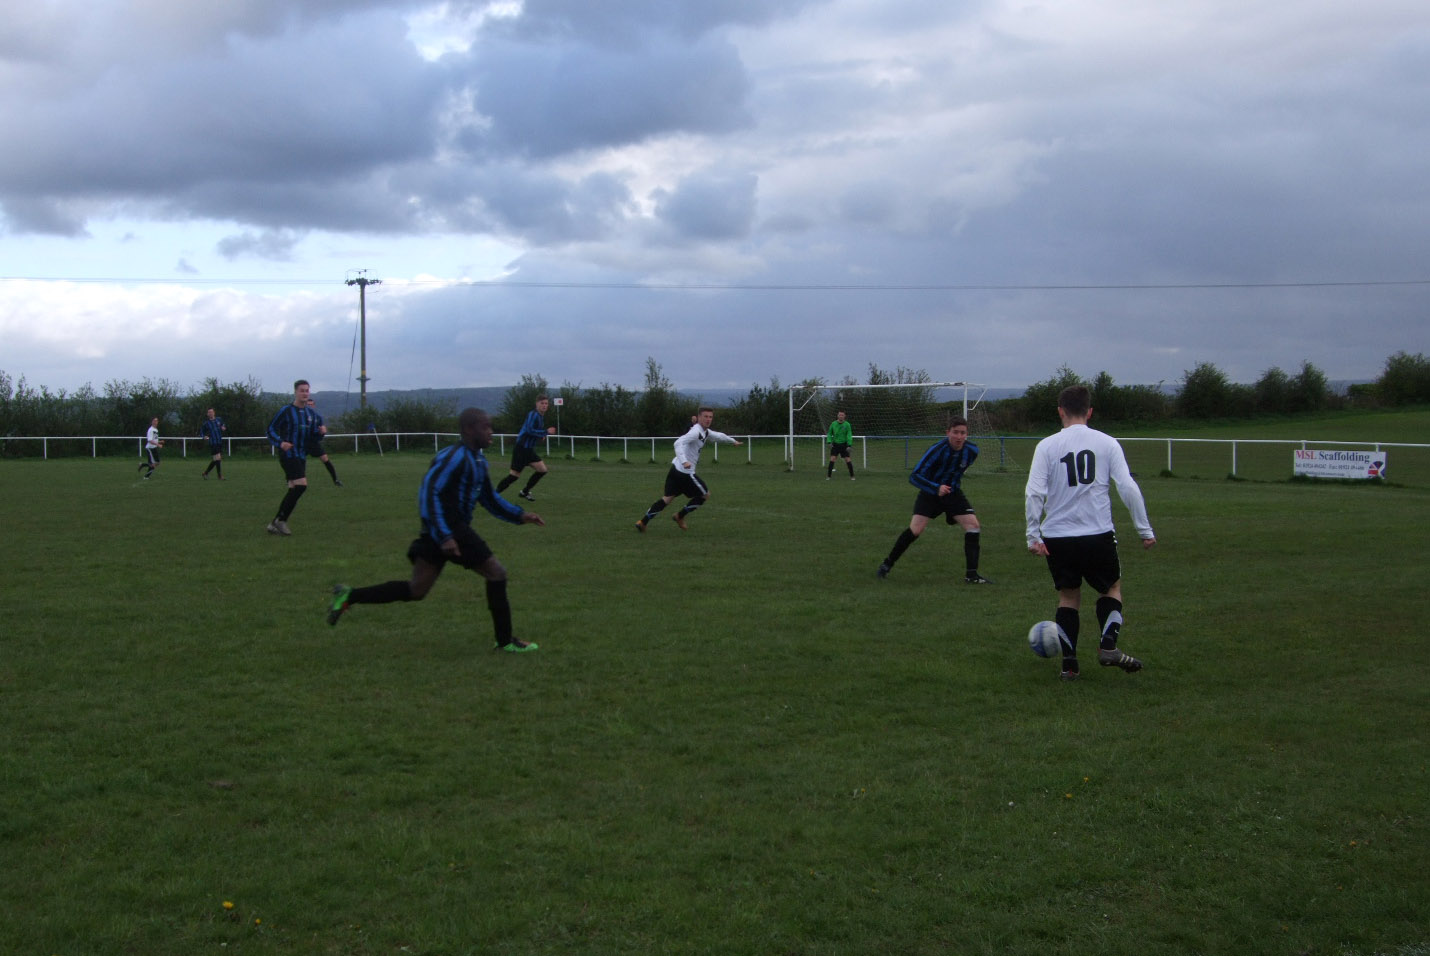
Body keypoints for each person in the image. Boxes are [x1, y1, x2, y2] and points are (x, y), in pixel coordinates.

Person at [327, 407, 546, 652]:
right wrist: (445, 535)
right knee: (497, 573)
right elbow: (429, 493)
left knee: (416, 590)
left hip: (443, 533)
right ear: (468, 430)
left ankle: (349, 595)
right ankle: (505, 642)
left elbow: (489, 499)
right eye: (485, 427)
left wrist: (520, 515)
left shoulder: (478, 460)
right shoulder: (454, 457)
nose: (491, 431)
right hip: (449, 529)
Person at [1025, 385, 1156, 681]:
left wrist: (1033, 536)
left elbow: (1034, 492)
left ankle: (1069, 665)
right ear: (1090, 411)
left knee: (1068, 598)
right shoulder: (1107, 443)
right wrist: (1144, 529)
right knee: (1111, 589)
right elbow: (1127, 487)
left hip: (1057, 536)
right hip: (1097, 533)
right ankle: (1108, 645)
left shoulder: (1046, 446)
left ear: (1060, 411)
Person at [876, 417, 991, 583]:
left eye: (963, 433)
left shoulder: (972, 451)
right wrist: (936, 487)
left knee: (973, 526)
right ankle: (887, 564)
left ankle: (971, 575)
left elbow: (959, 470)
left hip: (953, 494)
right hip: (930, 494)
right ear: (948, 433)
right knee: (915, 530)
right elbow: (915, 476)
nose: (959, 437)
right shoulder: (937, 450)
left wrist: (950, 490)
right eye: (955, 432)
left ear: (967, 434)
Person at [635, 407, 742, 532]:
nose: (708, 419)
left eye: (710, 417)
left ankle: (643, 522)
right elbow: (677, 443)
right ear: (699, 417)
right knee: (705, 495)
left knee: (667, 498)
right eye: (705, 416)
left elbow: (718, 436)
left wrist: (732, 441)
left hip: (675, 469)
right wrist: (684, 461)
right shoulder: (695, 432)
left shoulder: (705, 432)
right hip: (685, 473)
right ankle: (679, 516)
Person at [264, 380, 317, 536]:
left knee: (294, 488)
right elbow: (270, 429)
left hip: (301, 455)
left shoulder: (309, 414)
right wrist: (280, 443)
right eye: (302, 390)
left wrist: (321, 431)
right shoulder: (286, 411)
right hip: (288, 454)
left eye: (307, 390)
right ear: (295, 392)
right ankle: (281, 521)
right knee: (301, 485)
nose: (305, 393)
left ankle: (275, 523)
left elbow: (313, 436)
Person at [496, 395, 556, 501]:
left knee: (542, 470)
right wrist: (545, 432)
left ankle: (525, 492)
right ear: (536, 404)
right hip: (522, 449)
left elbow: (533, 432)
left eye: (546, 403)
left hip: (528, 450)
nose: (544, 405)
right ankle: (493, 495)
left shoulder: (540, 417)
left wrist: (541, 435)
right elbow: (529, 430)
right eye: (542, 403)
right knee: (514, 476)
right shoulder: (533, 414)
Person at [306, 397, 343, 486]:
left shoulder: (318, 418)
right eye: (308, 405)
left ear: (314, 406)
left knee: (325, 459)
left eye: (311, 405)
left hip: (313, 442)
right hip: (303, 442)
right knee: (298, 461)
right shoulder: (302, 417)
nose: (310, 406)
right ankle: (291, 480)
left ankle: (335, 480)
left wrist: (322, 433)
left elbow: (321, 434)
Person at [199, 408, 227, 480]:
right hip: (213, 443)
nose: (210, 413)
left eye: (211, 412)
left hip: (219, 442)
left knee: (216, 459)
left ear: (214, 413)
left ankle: (205, 473)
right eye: (209, 412)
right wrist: (203, 436)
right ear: (207, 414)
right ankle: (219, 476)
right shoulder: (206, 423)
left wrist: (223, 427)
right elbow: (201, 431)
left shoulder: (219, 419)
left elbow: (223, 424)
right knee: (217, 458)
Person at [826, 410, 855, 480]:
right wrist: (829, 442)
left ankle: (852, 476)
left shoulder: (847, 424)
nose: (841, 416)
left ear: (844, 416)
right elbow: (829, 433)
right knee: (832, 459)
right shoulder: (833, 424)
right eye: (839, 415)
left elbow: (849, 435)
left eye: (842, 415)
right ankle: (828, 476)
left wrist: (849, 445)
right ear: (837, 416)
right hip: (835, 445)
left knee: (847, 459)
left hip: (844, 445)